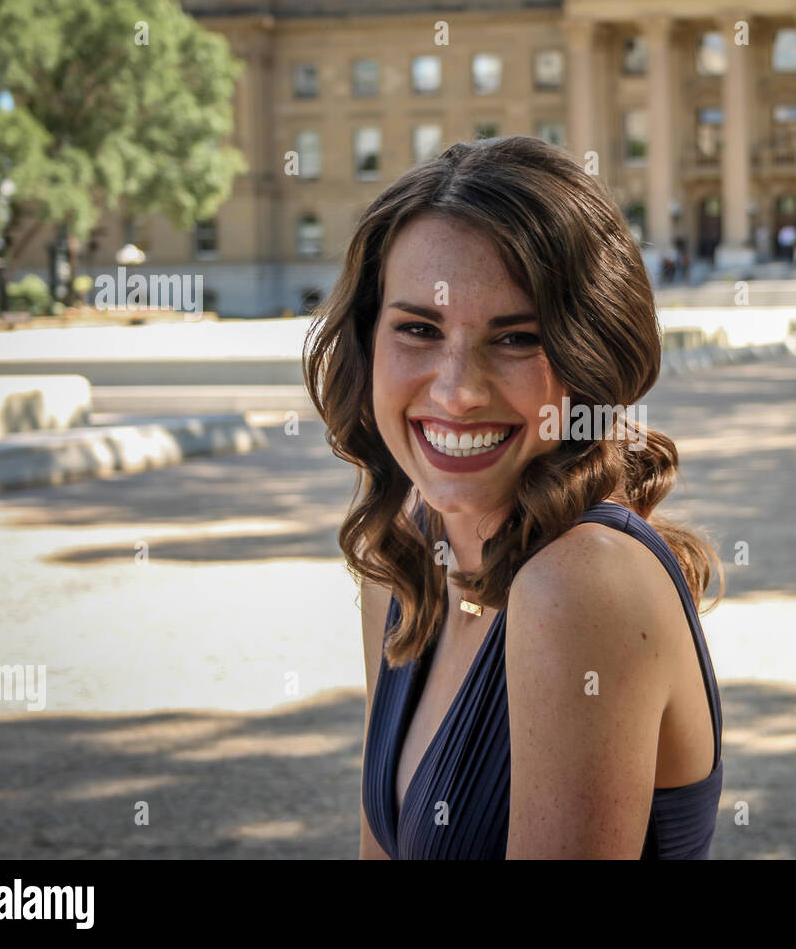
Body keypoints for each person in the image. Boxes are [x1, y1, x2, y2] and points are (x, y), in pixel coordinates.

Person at [303, 135, 725, 860]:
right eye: (417, 329)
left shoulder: (582, 584)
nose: (457, 390)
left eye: (517, 338)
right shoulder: (404, 561)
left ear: (590, 357)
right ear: (368, 341)